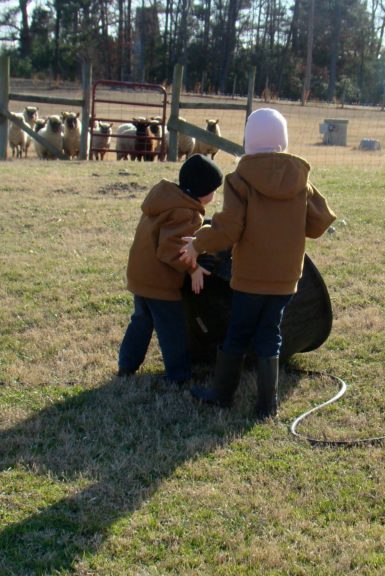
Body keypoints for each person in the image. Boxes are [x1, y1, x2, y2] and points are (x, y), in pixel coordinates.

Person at [179, 108, 336, 418]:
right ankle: (267, 406)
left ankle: (222, 395)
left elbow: (229, 229)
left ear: (249, 141)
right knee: (270, 333)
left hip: (250, 277)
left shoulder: (240, 180)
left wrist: (198, 243)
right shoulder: (300, 179)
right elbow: (318, 225)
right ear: (284, 141)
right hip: (285, 278)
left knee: (238, 331)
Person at [118, 154, 223, 384]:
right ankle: (179, 376)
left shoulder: (165, 201)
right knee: (172, 330)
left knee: (141, 321)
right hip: (160, 284)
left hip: (141, 276)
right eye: (214, 189)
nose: (215, 195)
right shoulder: (185, 213)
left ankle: (126, 365)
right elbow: (171, 249)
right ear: (202, 191)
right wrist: (194, 268)